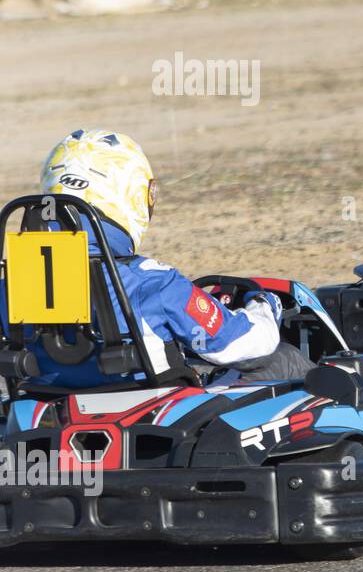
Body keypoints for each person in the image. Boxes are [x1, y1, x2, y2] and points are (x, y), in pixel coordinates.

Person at [0, 129, 312, 387]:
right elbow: (243, 347)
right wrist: (264, 306)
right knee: (284, 359)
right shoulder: (153, 281)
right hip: (153, 429)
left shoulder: (9, 286)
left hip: (44, 419)